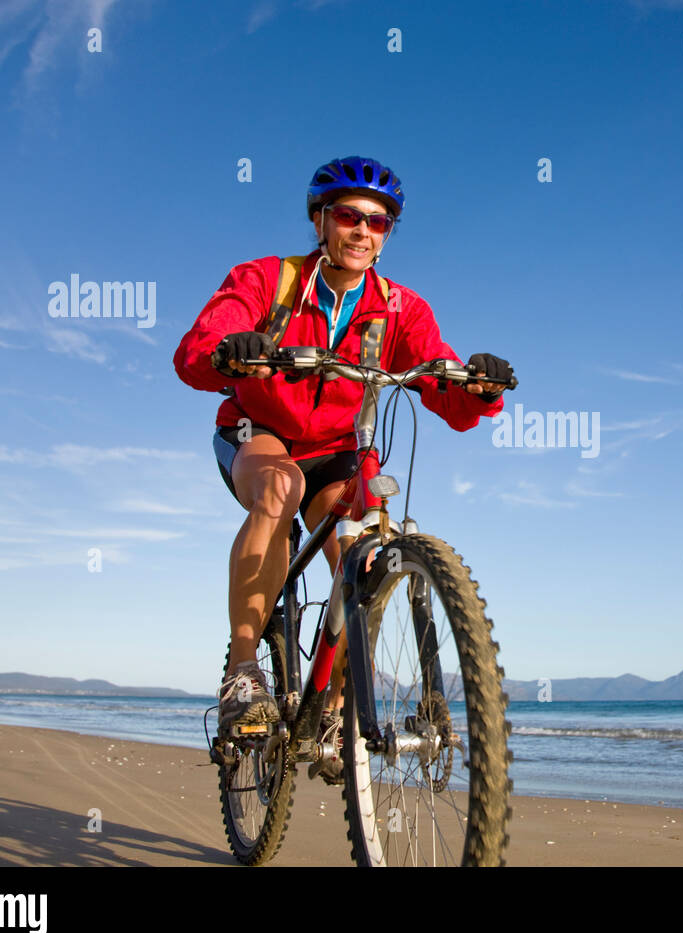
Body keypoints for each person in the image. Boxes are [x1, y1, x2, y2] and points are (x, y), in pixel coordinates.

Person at [172, 155, 512, 742]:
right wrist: (231, 350)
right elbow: (196, 352)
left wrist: (476, 387)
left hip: (340, 448)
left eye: (377, 223)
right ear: (321, 220)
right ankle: (245, 672)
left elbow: (442, 384)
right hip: (259, 431)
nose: (362, 231)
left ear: (386, 236)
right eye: (349, 216)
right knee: (282, 489)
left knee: (366, 552)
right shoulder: (265, 280)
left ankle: (332, 710)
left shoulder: (401, 309)